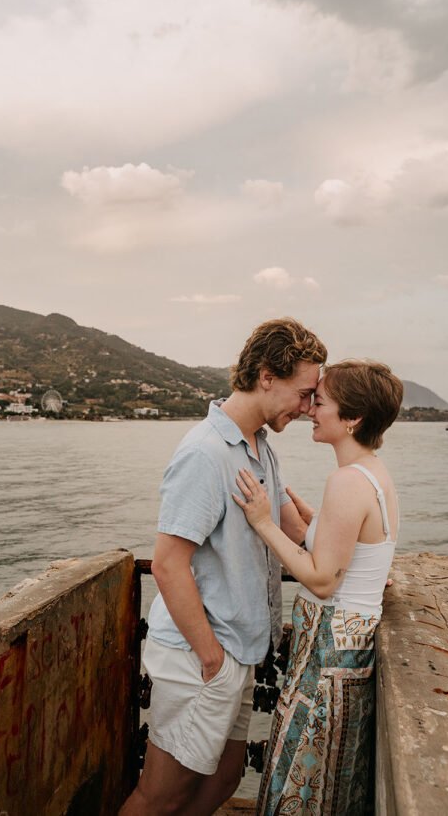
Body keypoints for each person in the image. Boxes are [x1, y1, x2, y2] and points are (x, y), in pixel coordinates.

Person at [119, 318, 327, 816]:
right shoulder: (204, 453)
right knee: (161, 796)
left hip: (238, 651)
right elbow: (168, 564)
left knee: (226, 776)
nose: (306, 408)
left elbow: (293, 528)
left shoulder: (259, 447)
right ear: (266, 376)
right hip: (201, 655)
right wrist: (210, 657)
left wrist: (359, 560)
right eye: (303, 394)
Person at [233, 360, 403, 816]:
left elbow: (324, 579)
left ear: (353, 419)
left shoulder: (347, 482)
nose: (310, 409)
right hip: (342, 653)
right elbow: (348, 543)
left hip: (328, 655)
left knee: (305, 782)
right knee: (327, 782)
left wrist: (263, 522)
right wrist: (308, 518)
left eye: (321, 402)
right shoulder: (373, 473)